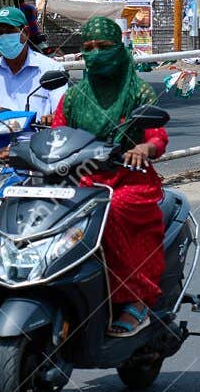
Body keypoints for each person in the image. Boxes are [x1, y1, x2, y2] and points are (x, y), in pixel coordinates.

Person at [48, 17, 168, 337]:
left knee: (110, 213)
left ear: (119, 50)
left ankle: (135, 300)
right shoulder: (73, 97)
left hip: (131, 180)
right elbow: (58, 136)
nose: (96, 54)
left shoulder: (138, 91)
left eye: (103, 47)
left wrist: (144, 147)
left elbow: (157, 137)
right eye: (88, 49)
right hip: (83, 180)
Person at [0, 6, 66, 126]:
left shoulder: (51, 68)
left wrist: (52, 117)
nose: (4, 37)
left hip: (37, 140)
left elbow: (61, 111)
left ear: (25, 32)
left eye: (9, 31)